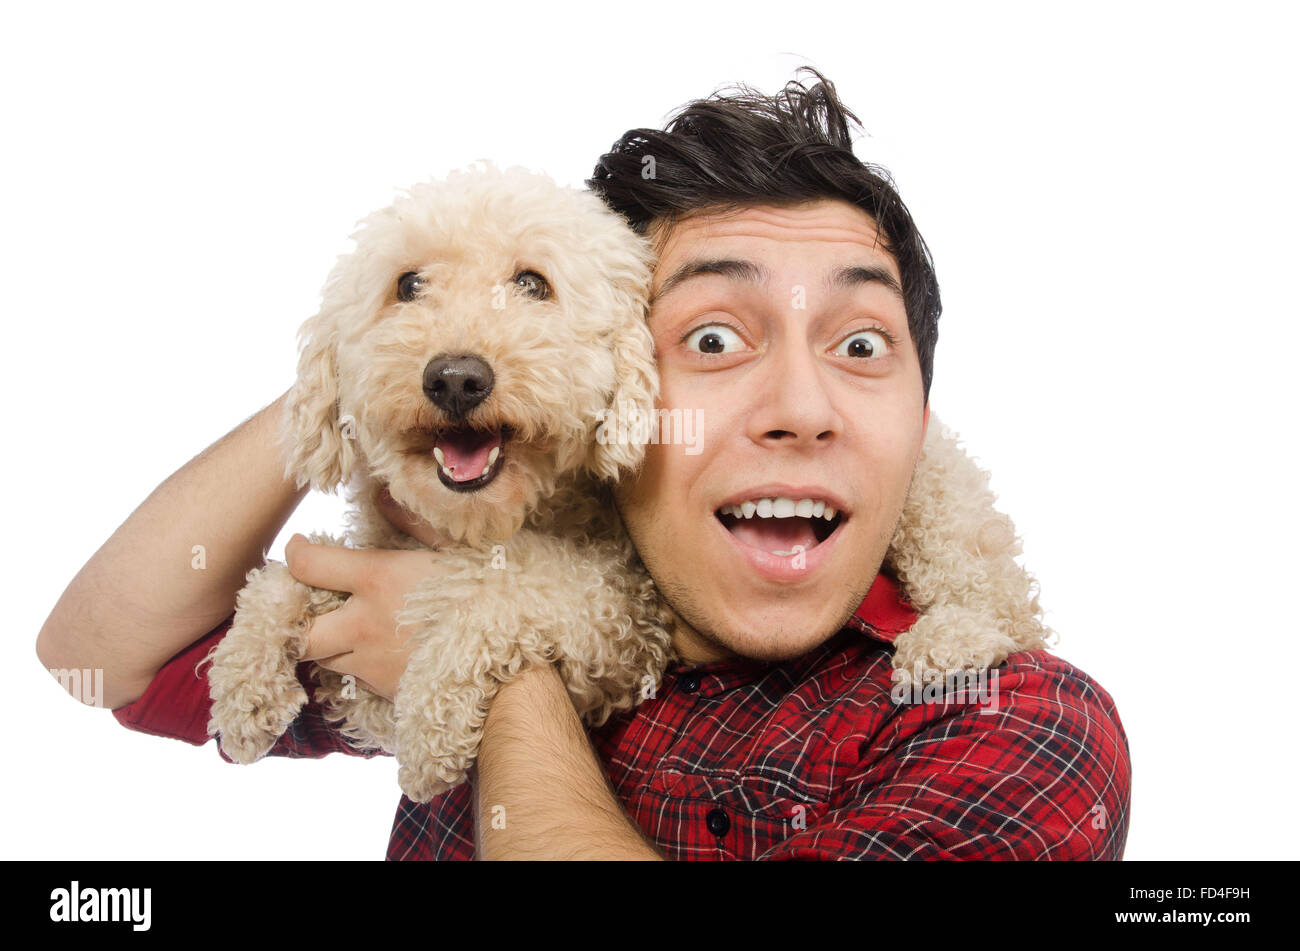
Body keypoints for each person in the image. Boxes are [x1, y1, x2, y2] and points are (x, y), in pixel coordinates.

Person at [36, 69, 1131, 860]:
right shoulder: (469, 569)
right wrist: (380, 349)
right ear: (611, 387)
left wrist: (499, 678)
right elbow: (100, 653)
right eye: (711, 339)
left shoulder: (1013, 727)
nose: (801, 409)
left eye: (858, 346)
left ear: (921, 413)